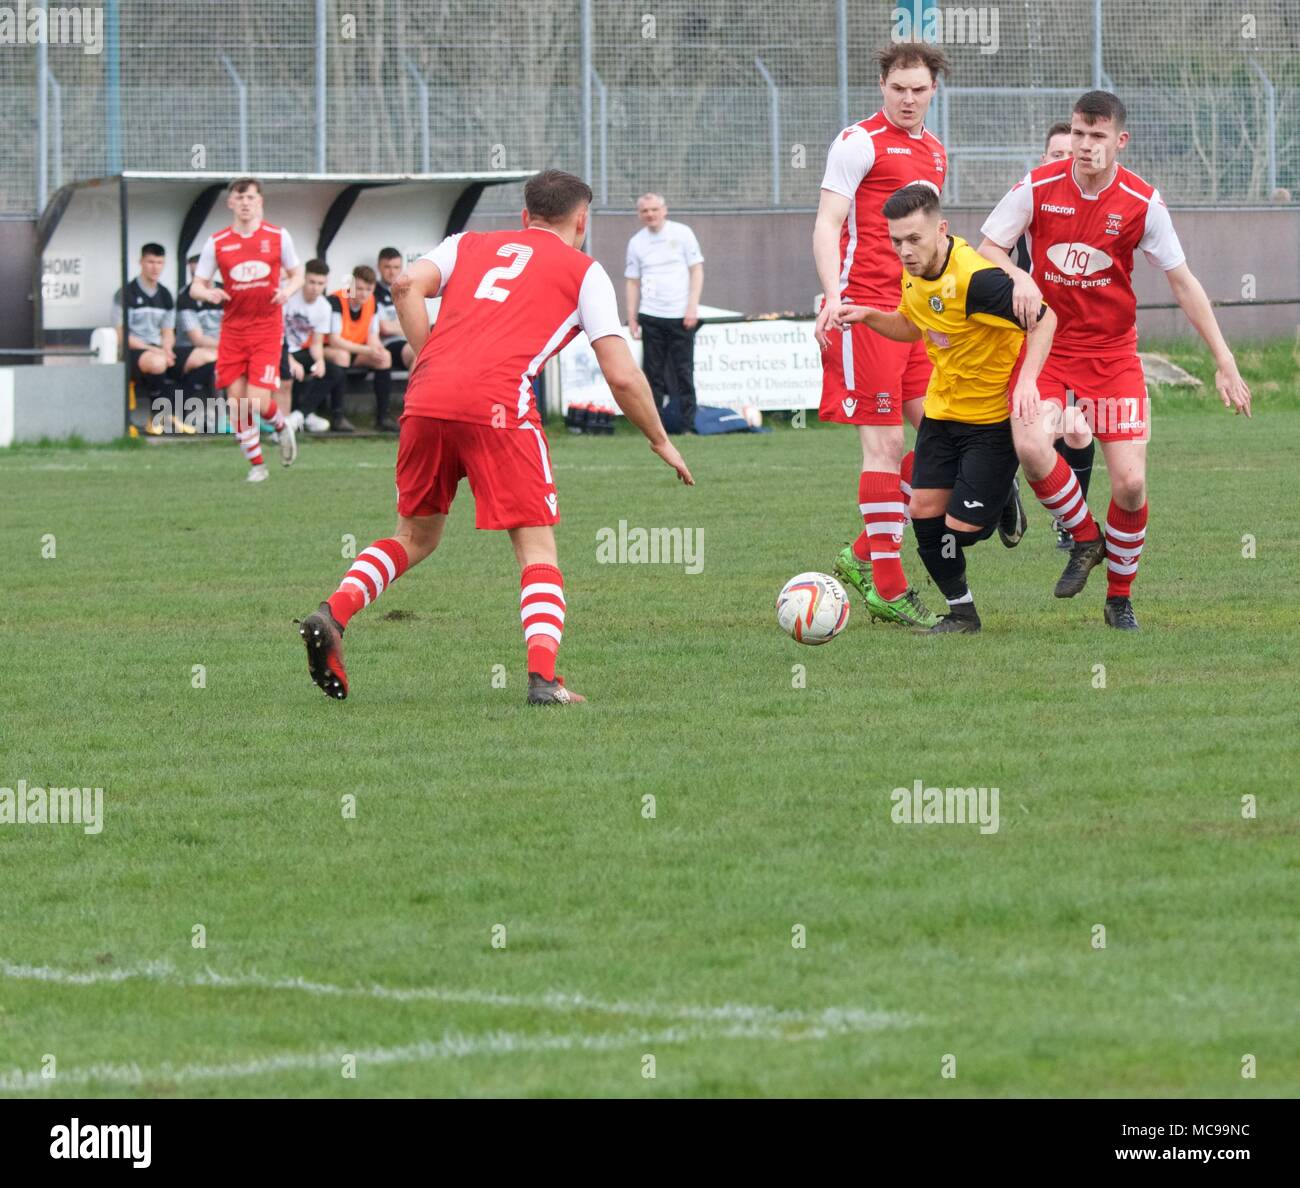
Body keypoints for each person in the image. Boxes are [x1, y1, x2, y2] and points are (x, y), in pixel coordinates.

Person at [297, 169, 693, 706]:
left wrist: (428, 357)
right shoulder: (585, 271)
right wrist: (659, 439)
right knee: (536, 548)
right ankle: (543, 680)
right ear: (582, 221)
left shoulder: (468, 243)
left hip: (428, 399)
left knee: (415, 536)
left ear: (524, 217)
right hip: (499, 407)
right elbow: (622, 374)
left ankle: (334, 611)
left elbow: (405, 284)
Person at [979, 91, 1252, 629]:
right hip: (1049, 350)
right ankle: (1084, 538)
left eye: (1097, 136)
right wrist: (1023, 278)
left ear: (1119, 141)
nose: (1084, 146)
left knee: (1129, 483)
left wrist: (1225, 359)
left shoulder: (1142, 201)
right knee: (1031, 443)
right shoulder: (1036, 187)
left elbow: (1183, 282)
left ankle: (1119, 597)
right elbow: (988, 247)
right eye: (1078, 134)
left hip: (1113, 358)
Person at [838, 185, 1055, 633]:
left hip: (989, 421)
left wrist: (1028, 381)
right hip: (942, 414)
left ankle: (1002, 498)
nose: (904, 250)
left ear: (941, 230)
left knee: (963, 530)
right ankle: (963, 614)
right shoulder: (913, 273)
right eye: (896, 241)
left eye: (914, 239)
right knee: (923, 515)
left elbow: (1045, 318)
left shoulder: (977, 279)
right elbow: (910, 325)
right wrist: (866, 315)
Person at [812, 43, 957, 632]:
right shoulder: (858, 142)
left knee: (948, 436)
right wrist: (833, 295)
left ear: (933, 91)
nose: (908, 98)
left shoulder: (936, 151)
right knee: (884, 448)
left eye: (919, 89)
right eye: (899, 87)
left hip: (917, 318)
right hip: (864, 314)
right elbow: (827, 222)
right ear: (882, 85)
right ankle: (889, 589)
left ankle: (863, 553)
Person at [1012, 121, 1096, 550]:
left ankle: (1069, 520)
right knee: (1035, 434)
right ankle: (1003, 486)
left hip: (1083, 343)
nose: (1066, 160)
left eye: (1072, 153)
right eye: (1056, 154)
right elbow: (988, 264)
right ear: (1043, 160)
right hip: (1032, 341)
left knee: (1079, 430)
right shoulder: (1027, 200)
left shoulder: (1097, 207)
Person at [190, 177, 302, 481]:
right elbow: (196, 286)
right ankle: (258, 466)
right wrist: (208, 292)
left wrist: (288, 291)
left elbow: (297, 273)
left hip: (266, 328)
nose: (245, 203)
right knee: (236, 402)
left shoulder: (278, 236)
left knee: (255, 400)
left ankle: (281, 425)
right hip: (233, 331)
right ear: (230, 203)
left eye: (251, 197)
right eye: (239, 198)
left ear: (260, 201)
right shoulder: (218, 241)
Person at [624, 193, 704, 429]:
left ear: (664, 210)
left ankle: (688, 424)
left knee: (683, 371)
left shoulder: (683, 233)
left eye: (654, 210)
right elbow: (632, 281)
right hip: (651, 315)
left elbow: (696, 270)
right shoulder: (636, 242)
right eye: (645, 211)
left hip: (681, 315)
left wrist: (692, 307)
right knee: (652, 374)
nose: (650, 214)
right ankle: (655, 427)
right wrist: (632, 317)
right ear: (640, 214)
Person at [113, 243, 176, 434]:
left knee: (199, 361)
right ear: (141, 262)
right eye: (150, 262)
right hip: (132, 351)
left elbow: (168, 330)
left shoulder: (165, 294)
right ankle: (156, 418)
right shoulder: (125, 292)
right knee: (158, 363)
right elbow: (121, 335)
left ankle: (181, 414)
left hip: (157, 349)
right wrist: (156, 351)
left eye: (160, 262)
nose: (155, 267)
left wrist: (167, 349)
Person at [280, 258, 348, 433]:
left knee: (333, 371)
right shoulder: (288, 298)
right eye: (311, 282)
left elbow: (316, 343)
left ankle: (300, 415)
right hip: (279, 349)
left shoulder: (324, 307)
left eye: (320, 283)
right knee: (290, 370)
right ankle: (289, 420)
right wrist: (291, 362)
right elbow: (277, 338)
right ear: (304, 279)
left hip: (300, 351)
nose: (315, 287)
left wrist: (320, 361)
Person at [325, 265, 392, 429]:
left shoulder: (372, 302)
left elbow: (373, 336)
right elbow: (335, 341)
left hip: (356, 350)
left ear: (373, 288)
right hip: (329, 350)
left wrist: (377, 350)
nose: (363, 293)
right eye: (359, 288)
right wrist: (367, 350)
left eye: (368, 289)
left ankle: (382, 418)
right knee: (342, 356)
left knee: (385, 358)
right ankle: (338, 417)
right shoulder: (336, 300)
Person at [175, 253, 222, 428]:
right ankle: (220, 416)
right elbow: (197, 339)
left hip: (222, 347)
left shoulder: (226, 292)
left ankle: (254, 415)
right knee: (217, 363)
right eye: (193, 275)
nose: (197, 280)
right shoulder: (185, 296)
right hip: (191, 350)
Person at [373, 247, 416, 431]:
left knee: (422, 354)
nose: (392, 271)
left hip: (404, 342)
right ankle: (409, 410)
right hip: (383, 344)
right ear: (379, 267)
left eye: (396, 267)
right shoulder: (373, 290)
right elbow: (384, 328)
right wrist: (408, 326)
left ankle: (413, 407)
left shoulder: (407, 288)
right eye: (388, 267)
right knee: (414, 350)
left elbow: (421, 320)